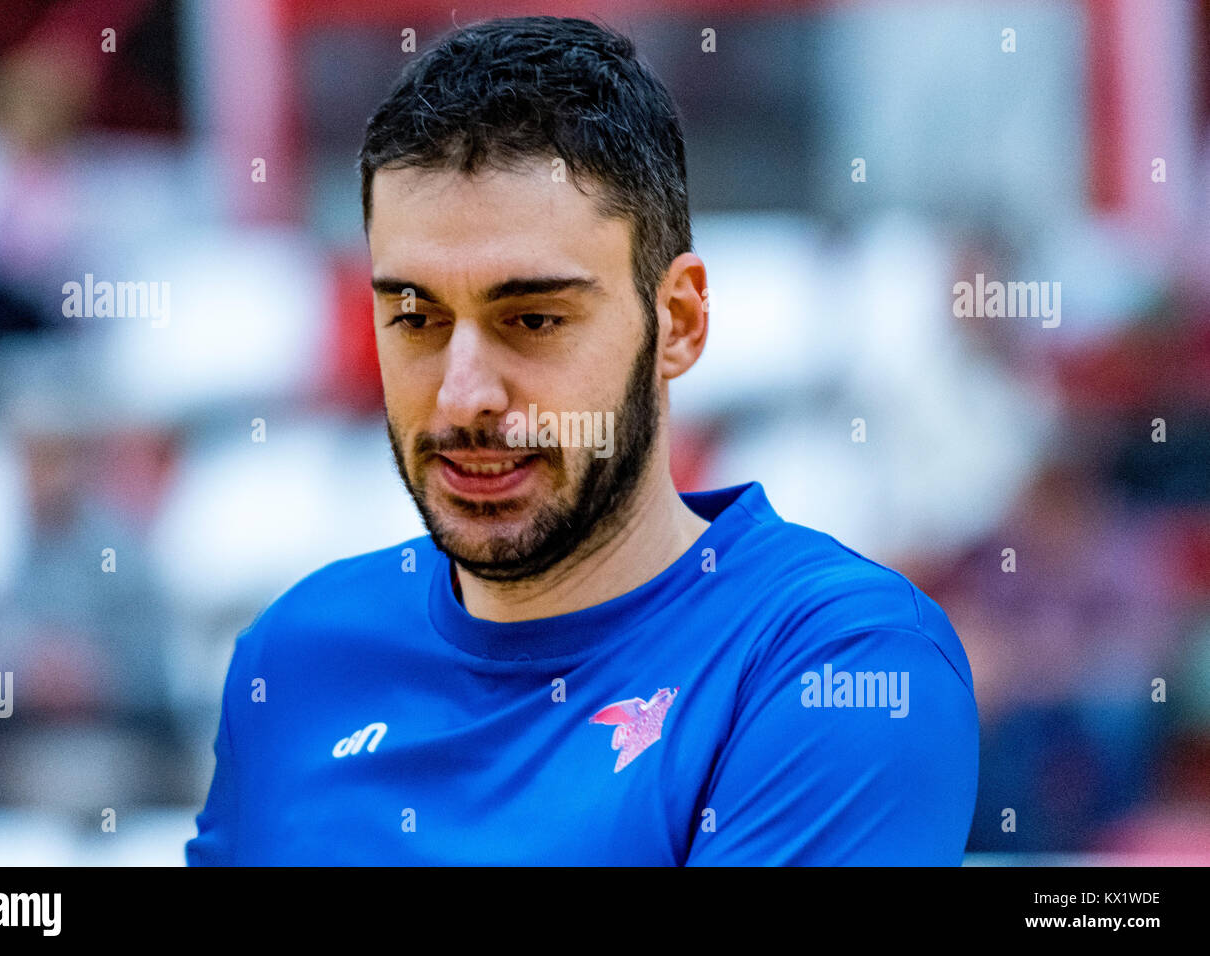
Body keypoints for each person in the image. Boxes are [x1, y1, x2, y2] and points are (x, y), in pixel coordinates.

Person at [186, 15, 978, 866]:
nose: (463, 396)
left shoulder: (838, 664)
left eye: (532, 318)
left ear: (677, 321)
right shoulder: (297, 654)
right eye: (414, 317)